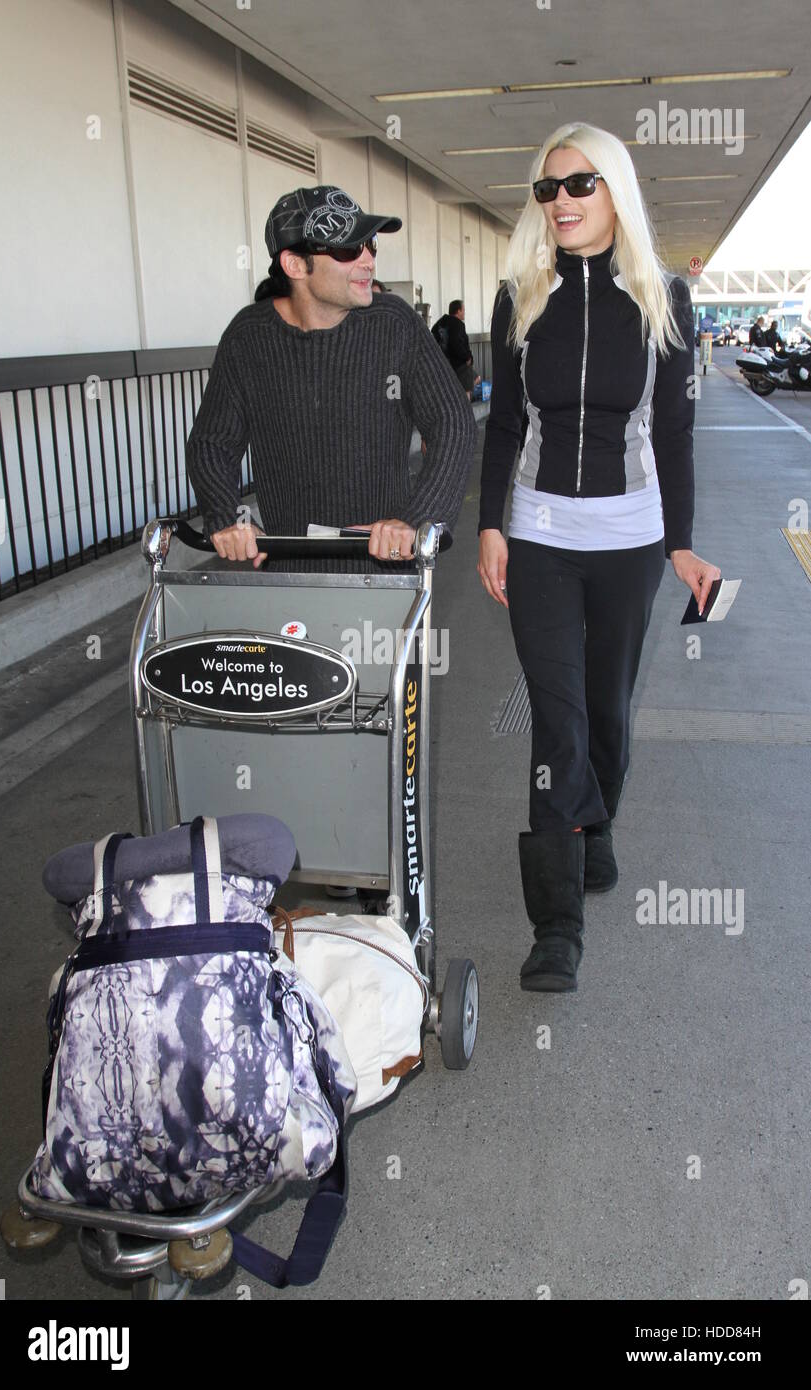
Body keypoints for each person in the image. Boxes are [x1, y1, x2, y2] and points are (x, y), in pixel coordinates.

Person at [477, 122, 721, 994]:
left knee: (608, 724)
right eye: (548, 190)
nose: (562, 202)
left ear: (614, 190)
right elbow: (505, 422)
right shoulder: (520, 297)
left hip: (630, 541)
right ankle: (555, 927)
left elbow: (676, 432)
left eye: (579, 184)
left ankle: (596, 822)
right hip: (541, 537)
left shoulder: (663, 298)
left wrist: (683, 543)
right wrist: (490, 524)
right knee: (558, 720)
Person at [186, 185, 475, 572]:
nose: (368, 261)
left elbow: (452, 423)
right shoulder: (248, 338)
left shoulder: (394, 324)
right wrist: (228, 516)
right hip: (291, 577)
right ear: (295, 265)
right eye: (347, 250)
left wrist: (416, 518)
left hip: (386, 576)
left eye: (370, 245)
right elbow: (211, 444)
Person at [432, 300, 477, 395]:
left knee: (476, 378)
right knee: (466, 392)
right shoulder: (458, 324)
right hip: (460, 364)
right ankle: (464, 408)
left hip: (445, 363)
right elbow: (456, 344)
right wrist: (467, 357)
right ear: (458, 311)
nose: (464, 312)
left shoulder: (441, 323)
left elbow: (433, 335)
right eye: (463, 310)